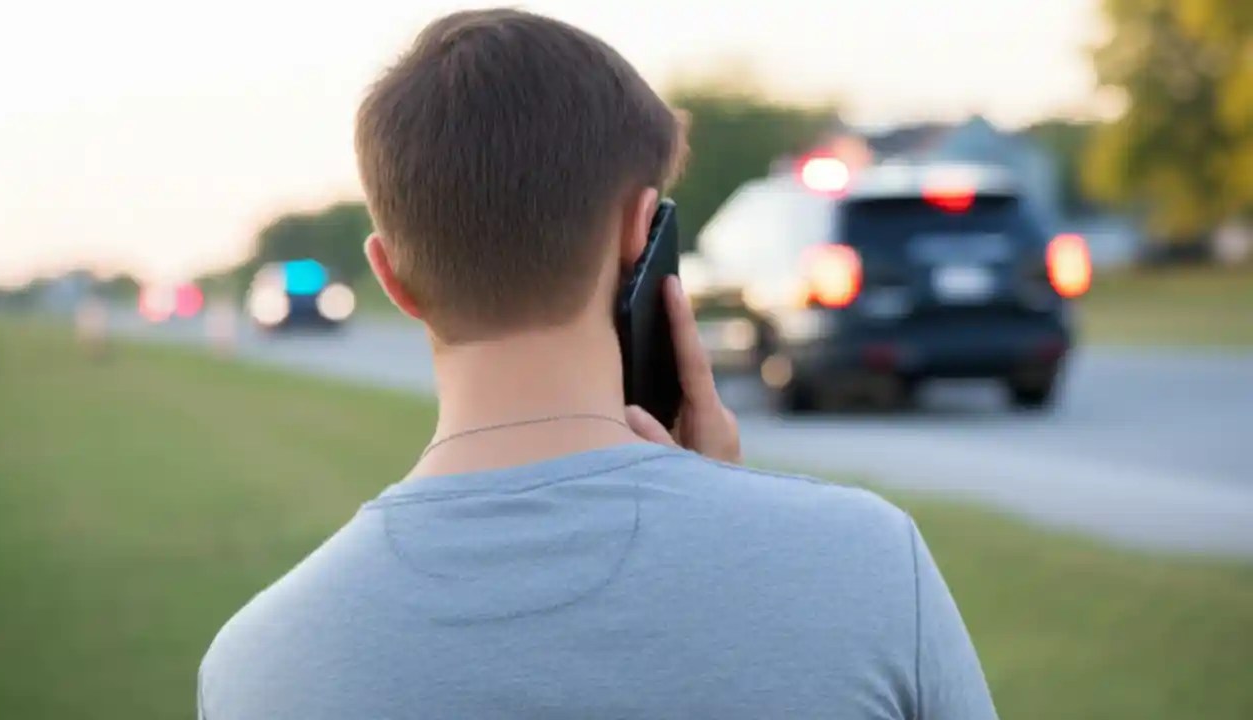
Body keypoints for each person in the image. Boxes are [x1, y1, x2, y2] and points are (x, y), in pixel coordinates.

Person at [197, 9, 996, 719]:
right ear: (640, 231)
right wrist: (725, 503)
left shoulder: (254, 664)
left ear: (392, 276)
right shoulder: (865, 564)